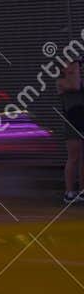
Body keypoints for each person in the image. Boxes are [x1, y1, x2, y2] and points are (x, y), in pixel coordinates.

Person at [62, 60, 84, 203]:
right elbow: (75, 86)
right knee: (74, 157)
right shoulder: (62, 82)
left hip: (82, 119)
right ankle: (69, 193)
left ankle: (82, 191)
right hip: (72, 121)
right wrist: (75, 66)